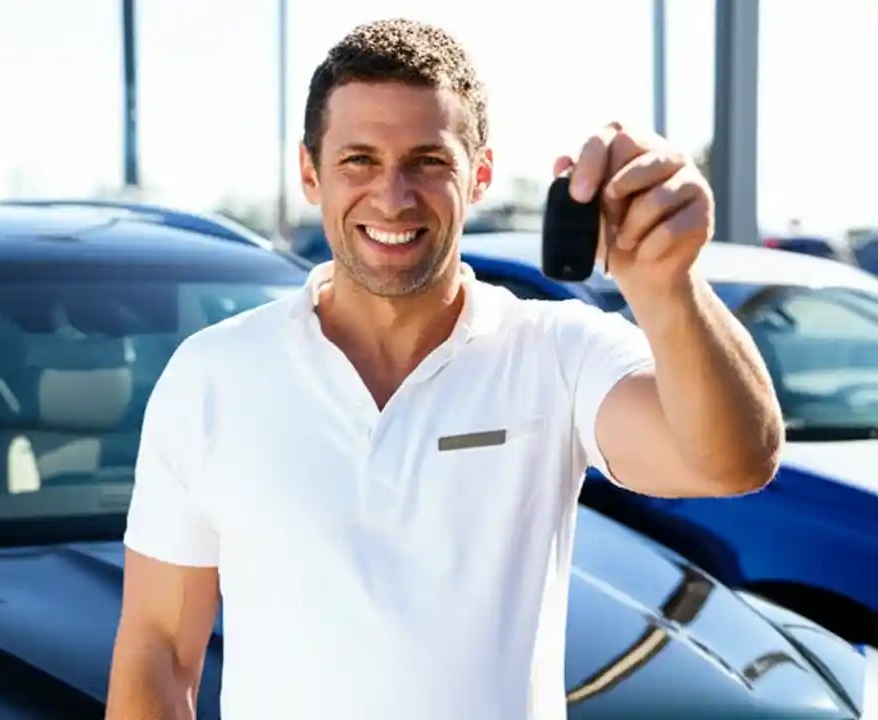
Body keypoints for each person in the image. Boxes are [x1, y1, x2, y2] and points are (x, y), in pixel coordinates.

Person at [106, 17, 783, 720]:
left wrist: (668, 286)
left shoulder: (554, 351)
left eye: (428, 161)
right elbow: (158, 650)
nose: (393, 196)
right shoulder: (213, 375)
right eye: (359, 160)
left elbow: (730, 461)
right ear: (310, 172)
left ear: (479, 173)